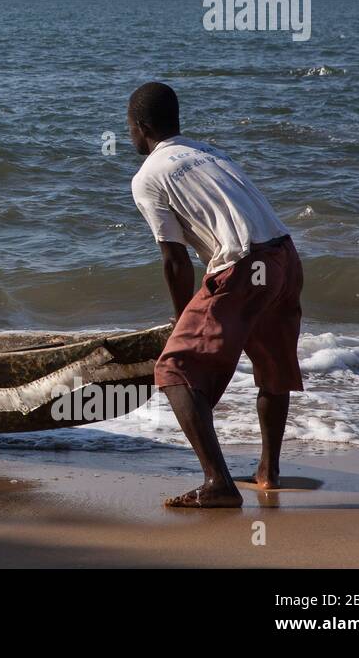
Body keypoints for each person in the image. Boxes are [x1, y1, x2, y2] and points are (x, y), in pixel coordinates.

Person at [127, 81, 303, 508]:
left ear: (140, 126)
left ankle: (218, 484)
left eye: (129, 126)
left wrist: (179, 317)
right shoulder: (210, 152)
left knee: (174, 369)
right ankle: (267, 471)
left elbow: (174, 258)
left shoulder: (149, 175)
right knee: (271, 368)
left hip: (242, 264)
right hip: (283, 256)